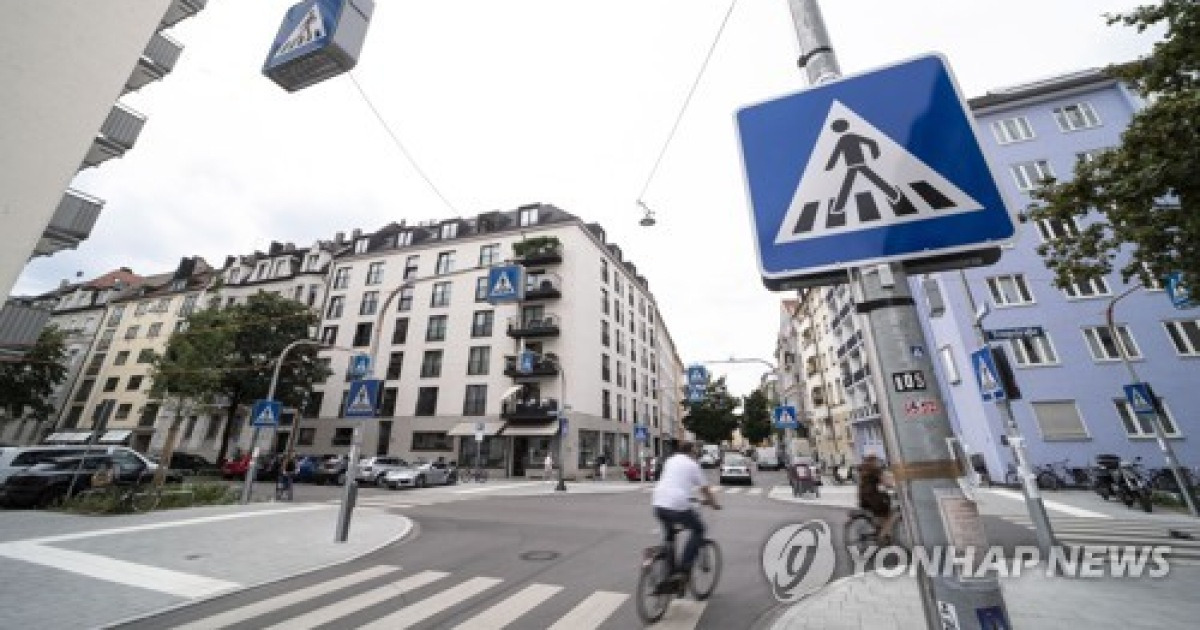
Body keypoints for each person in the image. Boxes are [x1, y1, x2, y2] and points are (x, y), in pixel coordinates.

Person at [651, 442, 721, 591]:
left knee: (669, 537)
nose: (696, 455)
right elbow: (705, 489)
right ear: (691, 452)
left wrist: (692, 498)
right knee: (699, 530)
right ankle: (683, 571)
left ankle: (670, 575)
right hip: (677, 505)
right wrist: (713, 503)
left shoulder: (670, 461)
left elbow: (674, 483)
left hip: (658, 503)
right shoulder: (692, 465)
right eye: (695, 452)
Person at [857, 455, 897, 544]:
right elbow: (887, 483)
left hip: (864, 498)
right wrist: (895, 487)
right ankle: (881, 536)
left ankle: (882, 532)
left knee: (882, 510)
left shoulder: (864, 470)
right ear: (874, 462)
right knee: (892, 514)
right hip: (873, 499)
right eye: (877, 461)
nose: (878, 463)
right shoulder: (875, 471)